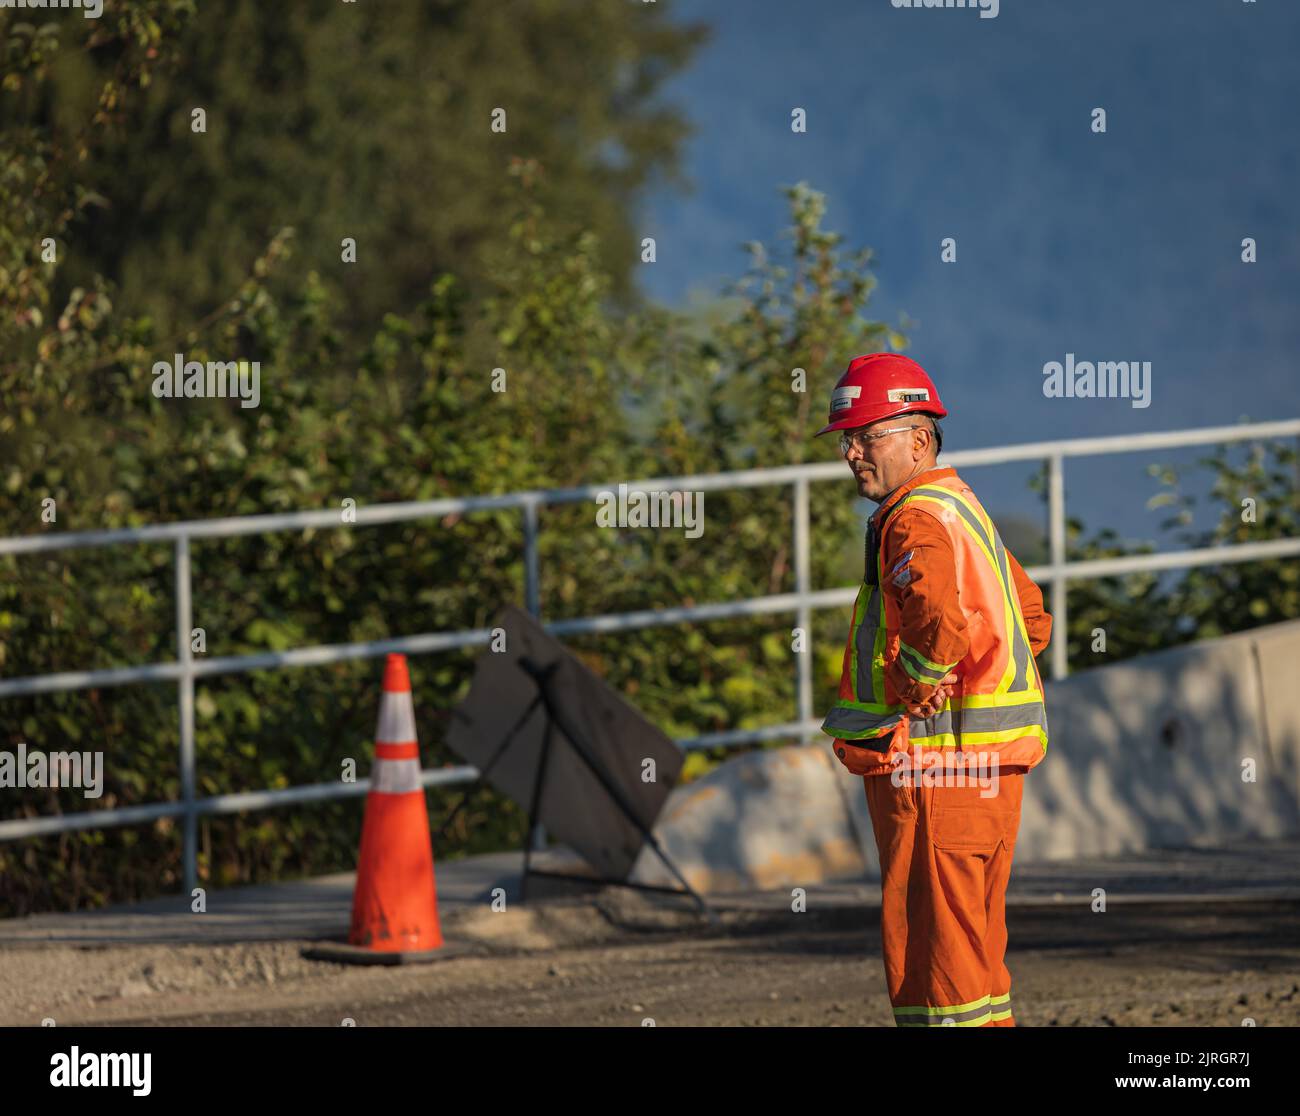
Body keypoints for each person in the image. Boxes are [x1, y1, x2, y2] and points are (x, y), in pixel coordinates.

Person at [816, 352, 1052, 1028]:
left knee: (938, 967)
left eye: (867, 436)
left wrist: (916, 686)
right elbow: (1030, 618)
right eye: (846, 439)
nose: (852, 452)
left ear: (919, 439)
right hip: (988, 771)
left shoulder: (915, 518)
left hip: (938, 771)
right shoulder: (960, 507)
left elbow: (941, 623)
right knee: (972, 958)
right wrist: (971, 682)